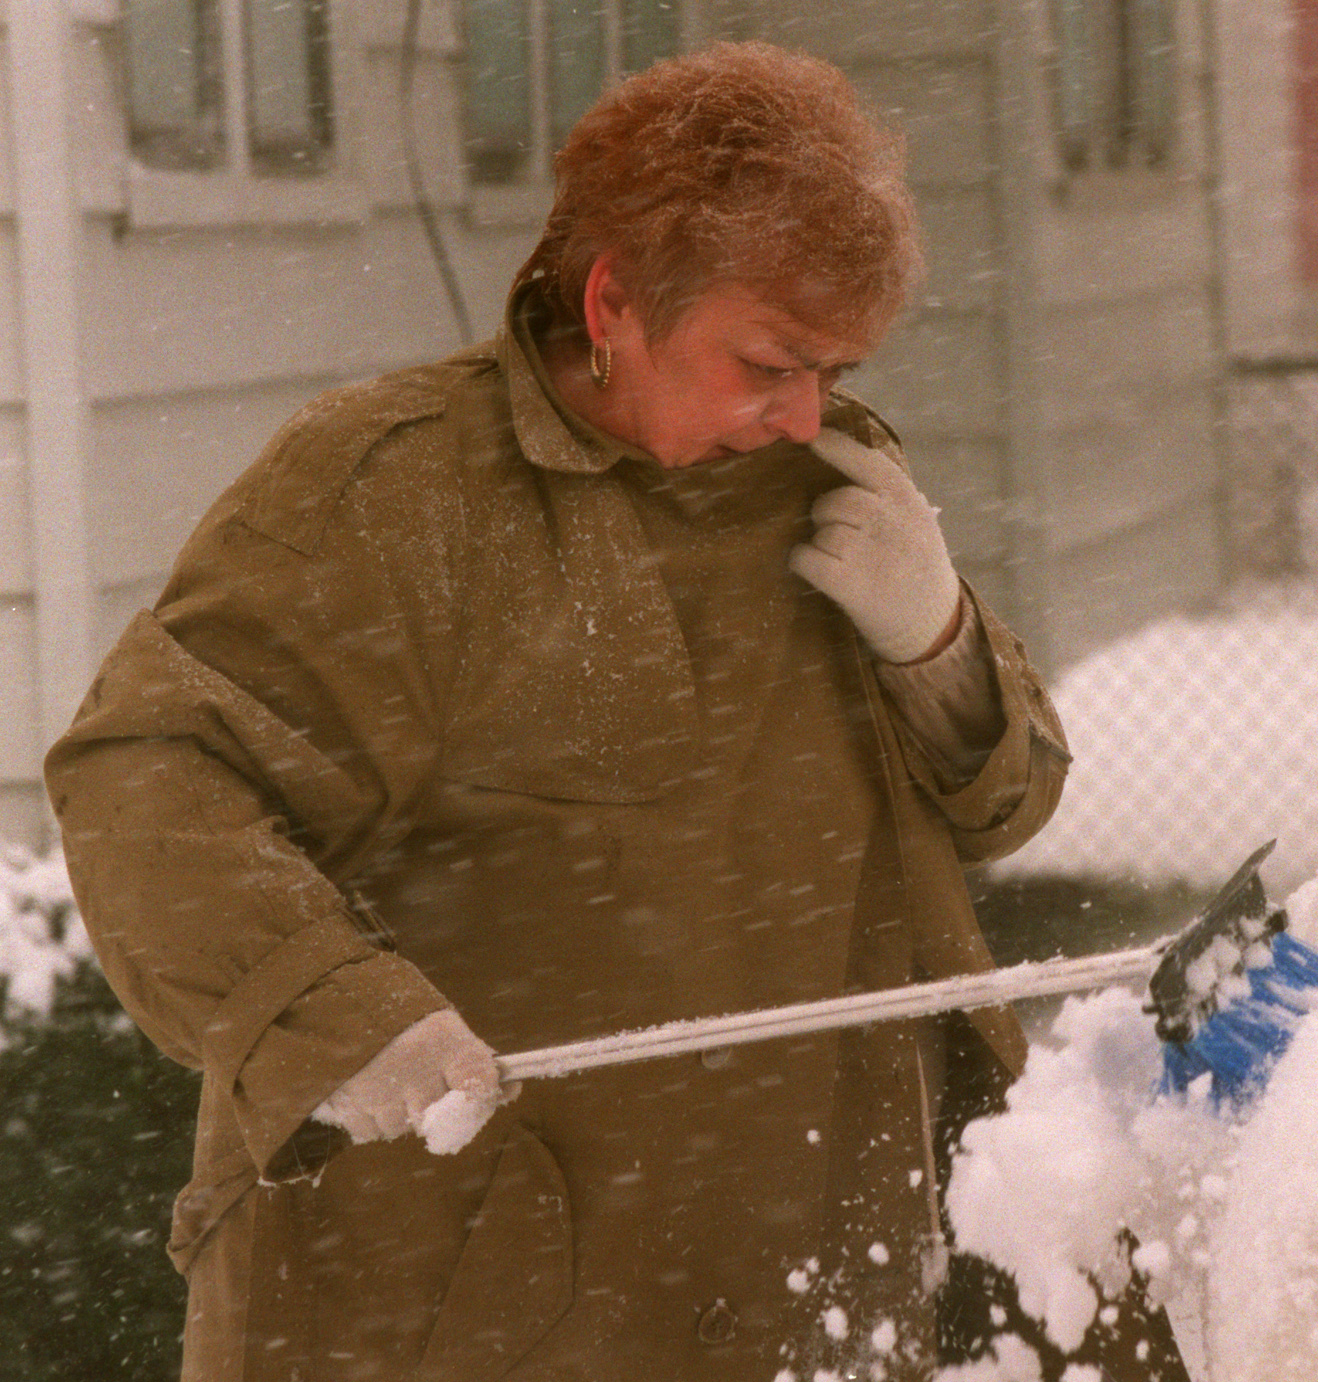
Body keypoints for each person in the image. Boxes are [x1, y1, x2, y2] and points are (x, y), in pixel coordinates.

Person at [45, 42, 1073, 1382]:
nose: (806, 408)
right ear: (613, 303)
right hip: (483, 1311)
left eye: (835, 364)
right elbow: (149, 773)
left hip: (828, 1278)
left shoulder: (825, 480)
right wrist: (339, 1019)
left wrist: (936, 641)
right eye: (769, 359)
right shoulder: (393, 495)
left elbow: (1012, 803)